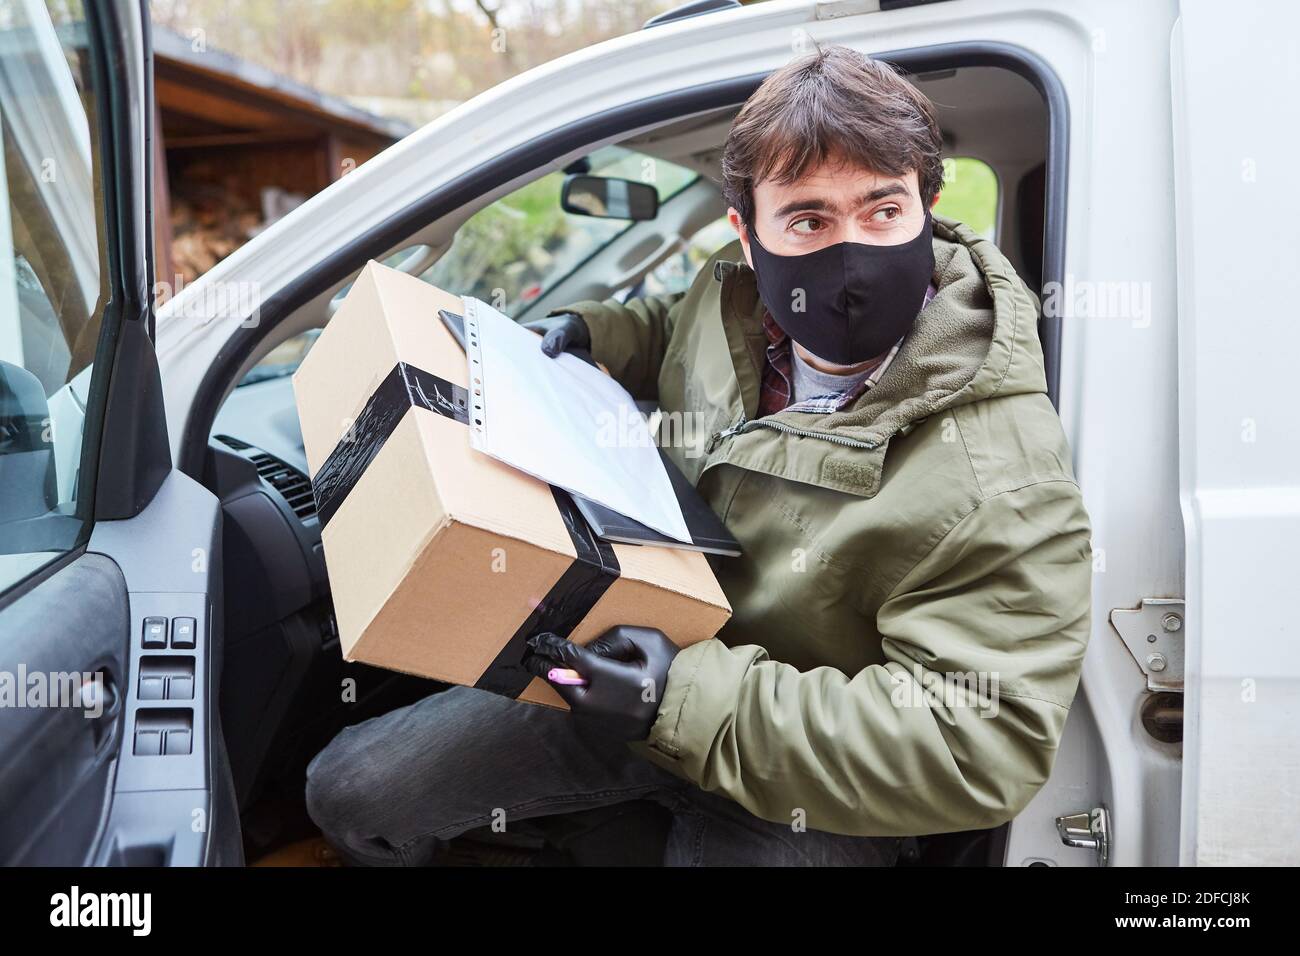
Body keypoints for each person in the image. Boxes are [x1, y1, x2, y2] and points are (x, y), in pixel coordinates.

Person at [304, 45, 1092, 866]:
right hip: (626, 667)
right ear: (748, 238)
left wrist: (679, 700)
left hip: (813, 781)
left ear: (927, 208)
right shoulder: (738, 299)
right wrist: (597, 331)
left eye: (882, 210)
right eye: (809, 219)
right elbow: (676, 328)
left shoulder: (1003, 479)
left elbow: (973, 743)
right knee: (352, 788)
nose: (851, 253)